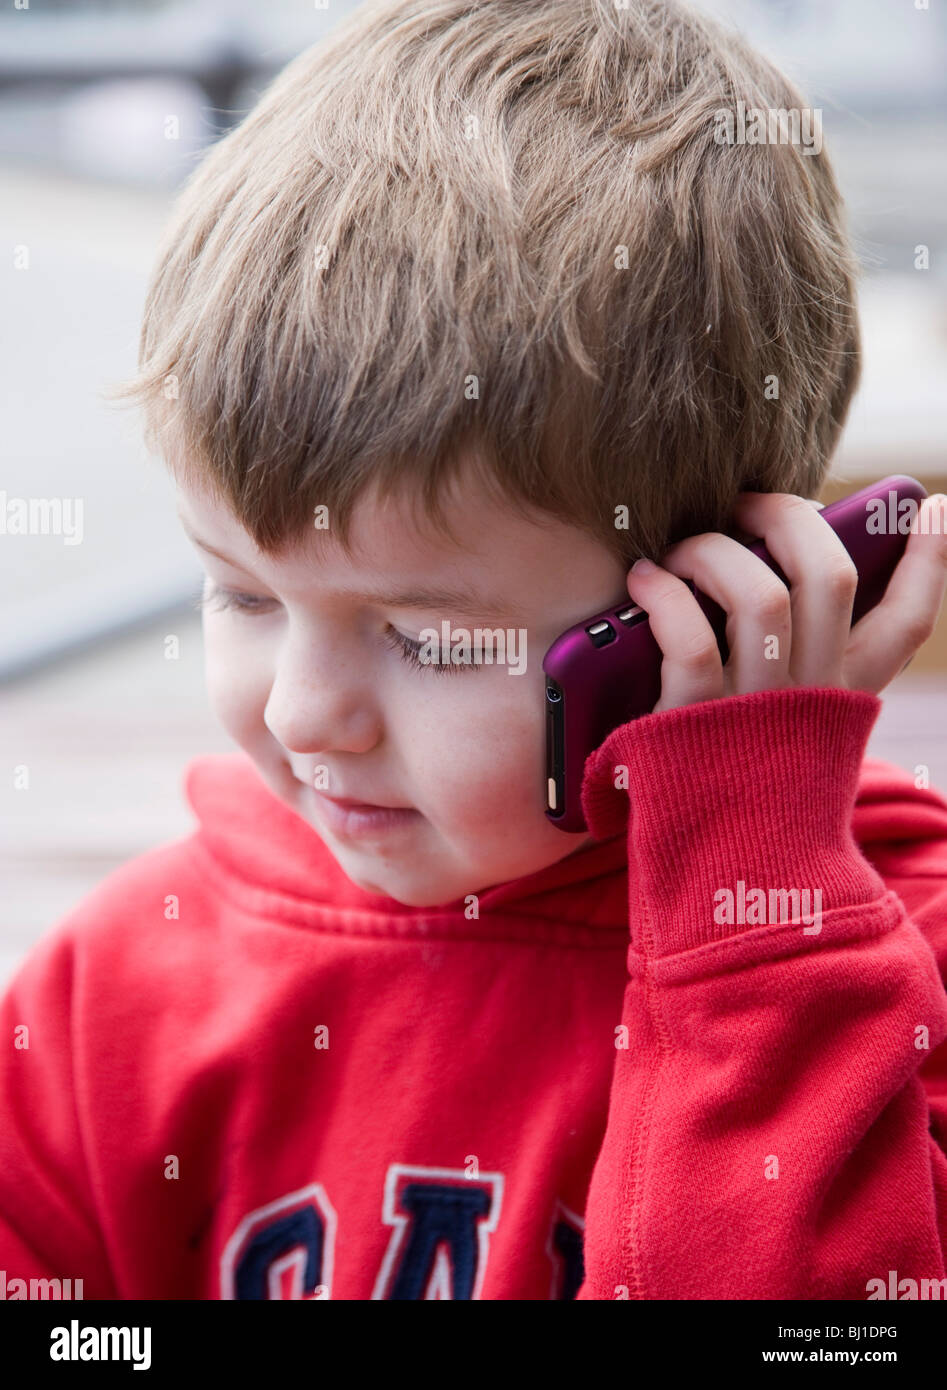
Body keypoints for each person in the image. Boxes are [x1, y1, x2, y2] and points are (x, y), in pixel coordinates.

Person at [2, 0, 947, 1300]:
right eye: (244, 594)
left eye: (427, 636)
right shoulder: (118, 991)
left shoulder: (886, 959)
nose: (302, 712)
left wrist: (747, 912)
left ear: (717, 603)